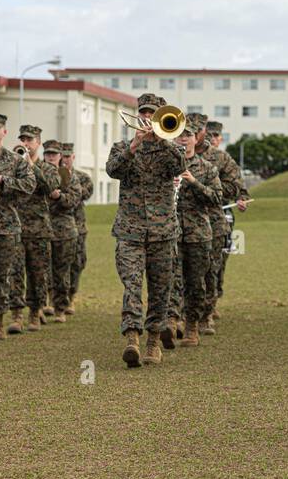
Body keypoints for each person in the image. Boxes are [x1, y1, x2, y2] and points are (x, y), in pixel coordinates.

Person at [106, 93, 189, 368]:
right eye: (143, 112)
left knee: (160, 288)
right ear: (137, 113)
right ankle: (132, 338)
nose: (147, 117)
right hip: (130, 231)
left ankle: (154, 341)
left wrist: (162, 140)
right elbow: (113, 170)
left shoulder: (171, 149)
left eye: (152, 113)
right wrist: (134, 145)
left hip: (163, 232)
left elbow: (180, 165)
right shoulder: (122, 146)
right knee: (131, 283)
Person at [169, 114, 223, 348]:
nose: (183, 139)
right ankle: (173, 321)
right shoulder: (167, 166)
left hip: (199, 234)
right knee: (171, 280)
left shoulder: (207, 168)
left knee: (196, 282)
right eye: (179, 135)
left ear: (196, 139)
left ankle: (192, 325)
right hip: (170, 233)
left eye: (188, 135)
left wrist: (194, 182)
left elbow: (217, 199)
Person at [0, 112, 36, 338]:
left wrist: (3, 180)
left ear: (4, 132)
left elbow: (29, 185)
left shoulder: (14, 160)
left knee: (1, 276)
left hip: (6, 225)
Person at [200, 120, 250, 333]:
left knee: (217, 261)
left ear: (220, 138)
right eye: (207, 133)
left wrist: (241, 197)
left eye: (215, 135)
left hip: (219, 215)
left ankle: (211, 302)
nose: (211, 138)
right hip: (189, 216)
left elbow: (238, 185)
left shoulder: (222, 158)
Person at [16, 124, 59, 332]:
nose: (25, 144)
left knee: (37, 273)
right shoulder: (13, 163)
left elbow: (49, 187)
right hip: (15, 226)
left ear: (38, 143)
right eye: (22, 139)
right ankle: (16, 314)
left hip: (39, 227)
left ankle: (35, 311)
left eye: (29, 140)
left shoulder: (48, 168)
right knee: (15, 273)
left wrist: (30, 165)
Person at [43, 140, 81, 322]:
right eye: (48, 153)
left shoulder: (69, 176)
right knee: (41, 270)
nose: (50, 157)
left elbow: (74, 199)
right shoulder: (37, 172)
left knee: (61, 271)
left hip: (64, 230)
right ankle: (42, 306)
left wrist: (60, 197)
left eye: (54, 154)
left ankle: (60, 307)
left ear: (60, 156)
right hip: (41, 228)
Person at [64, 144, 93, 310]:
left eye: (68, 157)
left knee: (77, 262)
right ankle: (55, 297)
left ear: (73, 157)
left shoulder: (83, 177)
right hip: (58, 226)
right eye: (63, 156)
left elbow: (84, 193)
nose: (65, 160)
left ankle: (71, 295)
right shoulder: (51, 175)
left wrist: (68, 182)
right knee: (58, 263)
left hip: (78, 225)